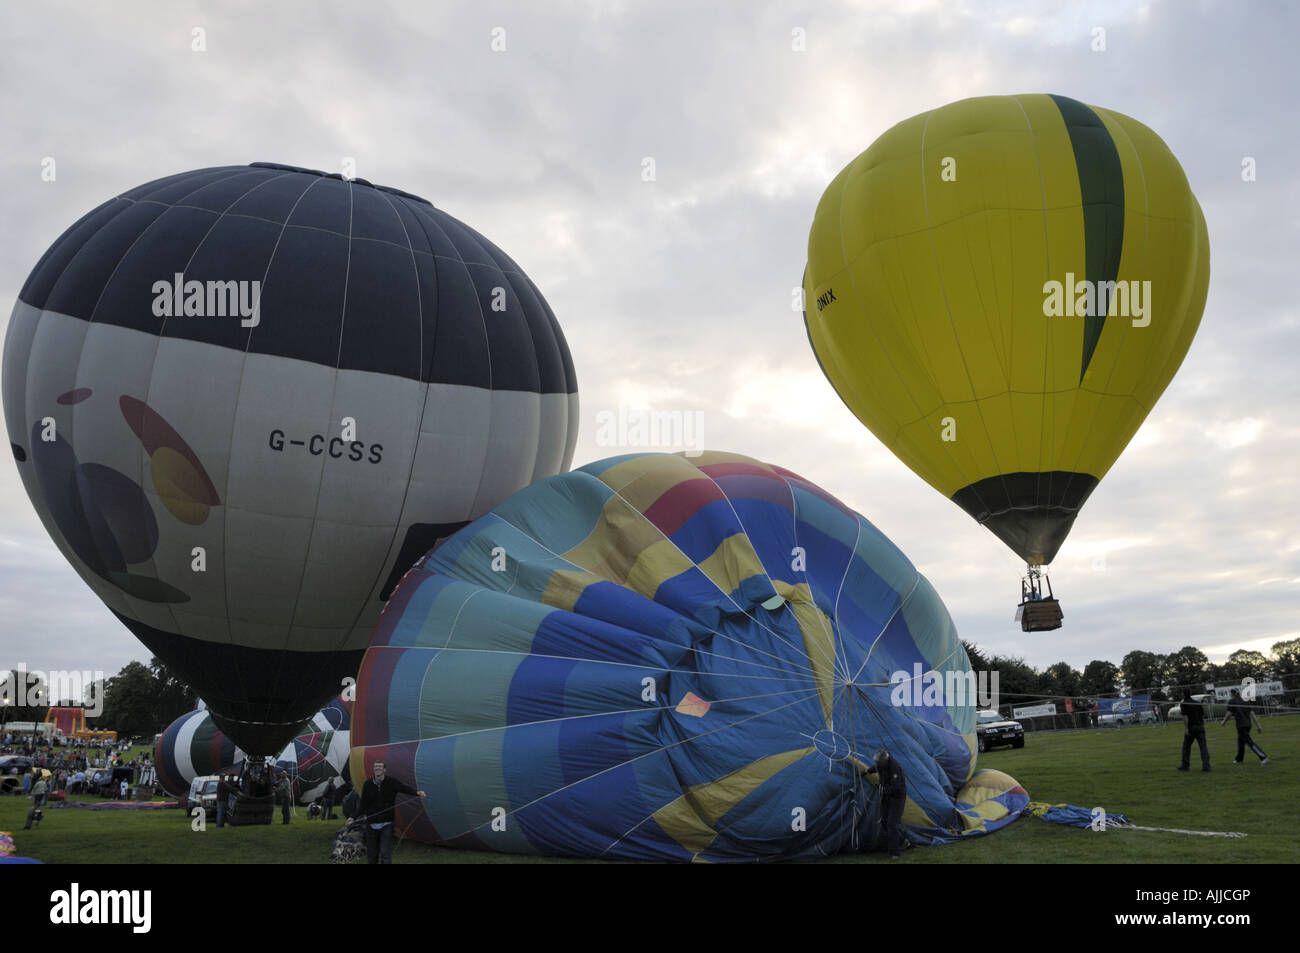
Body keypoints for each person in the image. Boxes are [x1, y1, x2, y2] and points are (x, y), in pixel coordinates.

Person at [358, 761, 426, 864]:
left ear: (384, 770)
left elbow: (404, 788)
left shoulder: (391, 782)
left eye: (380, 766)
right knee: (372, 855)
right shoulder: (367, 784)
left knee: (385, 854)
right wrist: (352, 817)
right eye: (375, 766)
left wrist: (416, 793)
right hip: (371, 825)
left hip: (387, 824)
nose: (377, 768)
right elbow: (363, 804)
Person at [864, 749, 908, 859]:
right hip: (887, 798)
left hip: (897, 798)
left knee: (892, 825)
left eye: (879, 762)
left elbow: (896, 787)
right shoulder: (881, 764)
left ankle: (894, 853)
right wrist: (867, 771)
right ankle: (903, 841)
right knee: (884, 822)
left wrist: (882, 790)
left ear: (885, 761)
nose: (877, 764)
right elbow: (876, 768)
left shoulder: (895, 768)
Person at [1220, 689, 1268, 765]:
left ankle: (1263, 757)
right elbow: (1252, 714)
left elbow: (1229, 714)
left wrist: (1223, 722)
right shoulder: (1245, 701)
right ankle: (1239, 760)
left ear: (1233, 694)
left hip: (1241, 726)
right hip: (1248, 725)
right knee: (1241, 742)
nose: (1230, 695)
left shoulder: (1232, 701)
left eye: (1230, 693)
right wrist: (1258, 726)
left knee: (1249, 742)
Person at [1177, 689, 1210, 772]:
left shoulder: (1184, 704)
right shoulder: (1197, 703)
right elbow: (1202, 714)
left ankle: (1185, 765)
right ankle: (1206, 766)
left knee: (1186, 747)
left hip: (1192, 728)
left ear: (1183, 695)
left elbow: (1185, 717)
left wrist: (1186, 729)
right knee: (1203, 748)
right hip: (1200, 727)